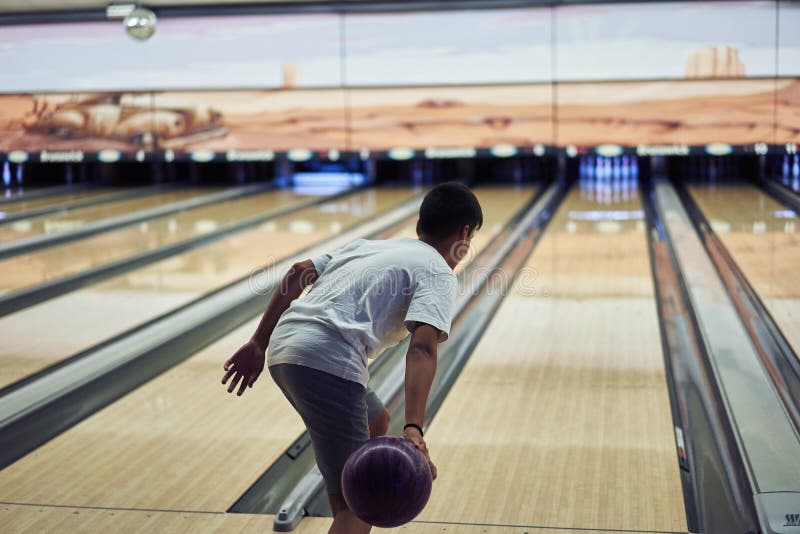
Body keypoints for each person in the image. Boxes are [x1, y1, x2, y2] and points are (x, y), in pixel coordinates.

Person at [222, 182, 483, 534]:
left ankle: (341, 476)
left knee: (377, 421)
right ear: (464, 234)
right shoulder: (437, 271)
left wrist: (259, 342)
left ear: (420, 225)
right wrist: (414, 428)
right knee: (359, 506)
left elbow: (298, 272)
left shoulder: (369, 246)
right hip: (327, 361)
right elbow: (422, 348)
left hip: (286, 347)